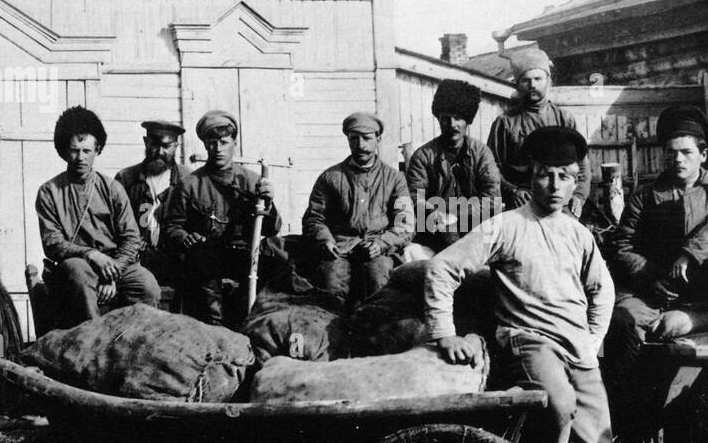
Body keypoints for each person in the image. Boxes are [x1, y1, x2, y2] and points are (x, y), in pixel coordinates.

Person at [426, 126, 642, 443]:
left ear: (575, 181)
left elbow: (602, 291)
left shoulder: (579, 233)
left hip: (576, 351)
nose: (555, 186)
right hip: (526, 343)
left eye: (566, 176)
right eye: (546, 175)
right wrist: (445, 334)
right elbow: (442, 269)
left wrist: (590, 340)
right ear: (531, 178)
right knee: (559, 405)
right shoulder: (505, 226)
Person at [604, 105, 708, 443]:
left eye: (687, 152)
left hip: (704, 291)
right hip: (654, 293)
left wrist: (689, 254)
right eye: (671, 153)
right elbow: (621, 246)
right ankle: (625, 423)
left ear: (702, 155)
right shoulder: (645, 197)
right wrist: (652, 275)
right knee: (622, 321)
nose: (678, 159)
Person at [35, 106, 160, 326]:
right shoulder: (49, 192)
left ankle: (134, 346)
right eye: (74, 150)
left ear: (98, 150)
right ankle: (93, 344)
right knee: (77, 271)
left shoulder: (112, 188)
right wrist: (91, 254)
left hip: (114, 264)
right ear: (64, 151)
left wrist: (112, 274)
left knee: (147, 286)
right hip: (76, 266)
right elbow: (53, 243)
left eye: (87, 151)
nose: (80, 158)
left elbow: (131, 238)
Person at [162, 110, 279, 328]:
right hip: (206, 255)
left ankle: (251, 325)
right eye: (212, 143)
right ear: (205, 146)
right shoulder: (190, 184)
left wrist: (268, 202)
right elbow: (171, 226)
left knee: (275, 266)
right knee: (200, 261)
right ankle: (215, 327)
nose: (218, 149)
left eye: (224, 142)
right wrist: (185, 237)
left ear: (234, 143)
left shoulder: (252, 181)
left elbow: (271, 229)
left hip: (243, 253)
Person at [303, 111, 414, 306]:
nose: (361, 145)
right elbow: (314, 218)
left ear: (378, 139)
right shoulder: (330, 177)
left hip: (378, 249)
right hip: (339, 249)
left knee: (378, 282)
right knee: (331, 285)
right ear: (348, 139)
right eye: (354, 138)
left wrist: (382, 243)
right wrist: (325, 240)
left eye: (367, 138)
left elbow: (404, 223)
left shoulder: (394, 179)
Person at [404, 79, 502, 258]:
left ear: (468, 119)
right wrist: (434, 213)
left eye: (458, 117)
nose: (452, 124)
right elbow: (414, 197)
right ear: (438, 119)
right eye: (445, 118)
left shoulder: (481, 153)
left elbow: (491, 199)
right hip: (436, 228)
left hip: (476, 224)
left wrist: (455, 214)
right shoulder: (424, 156)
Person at [487, 46, 589, 216]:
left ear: (548, 80)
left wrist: (578, 195)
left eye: (538, 78)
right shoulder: (505, 123)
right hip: (523, 201)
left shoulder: (564, 119)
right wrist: (512, 191)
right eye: (526, 80)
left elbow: (582, 164)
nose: (532, 85)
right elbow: (491, 168)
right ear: (517, 84)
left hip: (560, 200)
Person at [115, 120, 188, 285]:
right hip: (137, 260)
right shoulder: (126, 178)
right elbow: (115, 223)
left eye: (167, 146)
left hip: (175, 260)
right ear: (146, 142)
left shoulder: (187, 179)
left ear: (176, 146)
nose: (160, 152)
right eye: (155, 145)